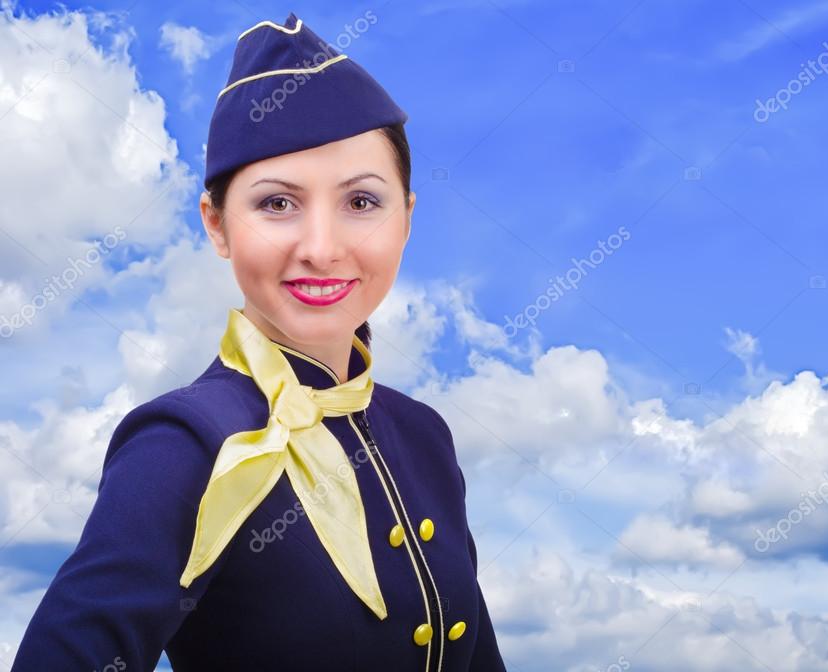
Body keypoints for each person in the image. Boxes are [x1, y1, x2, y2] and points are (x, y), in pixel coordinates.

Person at [12, 11, 506, 671]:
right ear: (216, 225)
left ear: (407, 218)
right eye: (277, 203)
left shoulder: (424, 435)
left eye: (362, 202)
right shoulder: (183, 440)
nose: (322, 249)